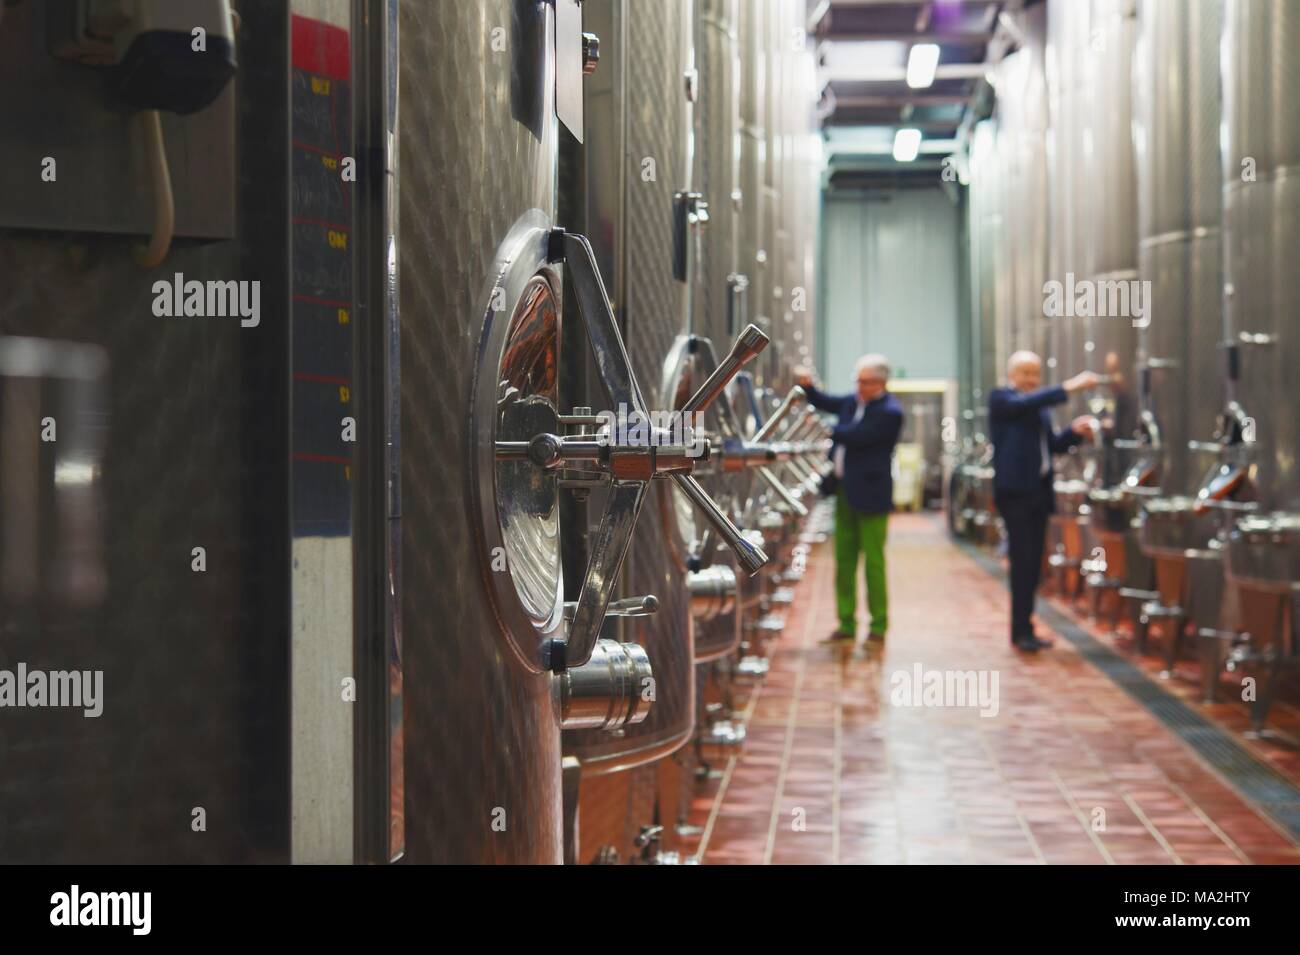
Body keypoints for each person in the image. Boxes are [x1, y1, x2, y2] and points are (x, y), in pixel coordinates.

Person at [989, 351, 1099, 652]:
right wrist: (1069, 388)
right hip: (1015, 494)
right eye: (1025, 373)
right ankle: (1019, 631)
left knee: (1033, 564)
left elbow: (1050, 446)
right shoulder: (1001, 399)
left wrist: (1074, 434)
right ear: (1011, 374)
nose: (1031, 380)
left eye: (1035, 374)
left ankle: (1027, 627)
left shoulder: (1038, 409)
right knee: (1022, 563)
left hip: (1038, 493)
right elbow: (1024, 404)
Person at [795, 356, 903, 647]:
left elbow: (858, 437)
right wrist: (807, 386)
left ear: (881, 383)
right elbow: (825, 401)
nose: (860, 386)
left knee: (873, 563)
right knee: (843, 561)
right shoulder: (853, 402)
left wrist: (820, 427)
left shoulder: (891, 412)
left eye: (866, 382)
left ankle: (878, 626)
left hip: (872, 494)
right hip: (843, 491)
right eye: (858, 380)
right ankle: (846, 622)